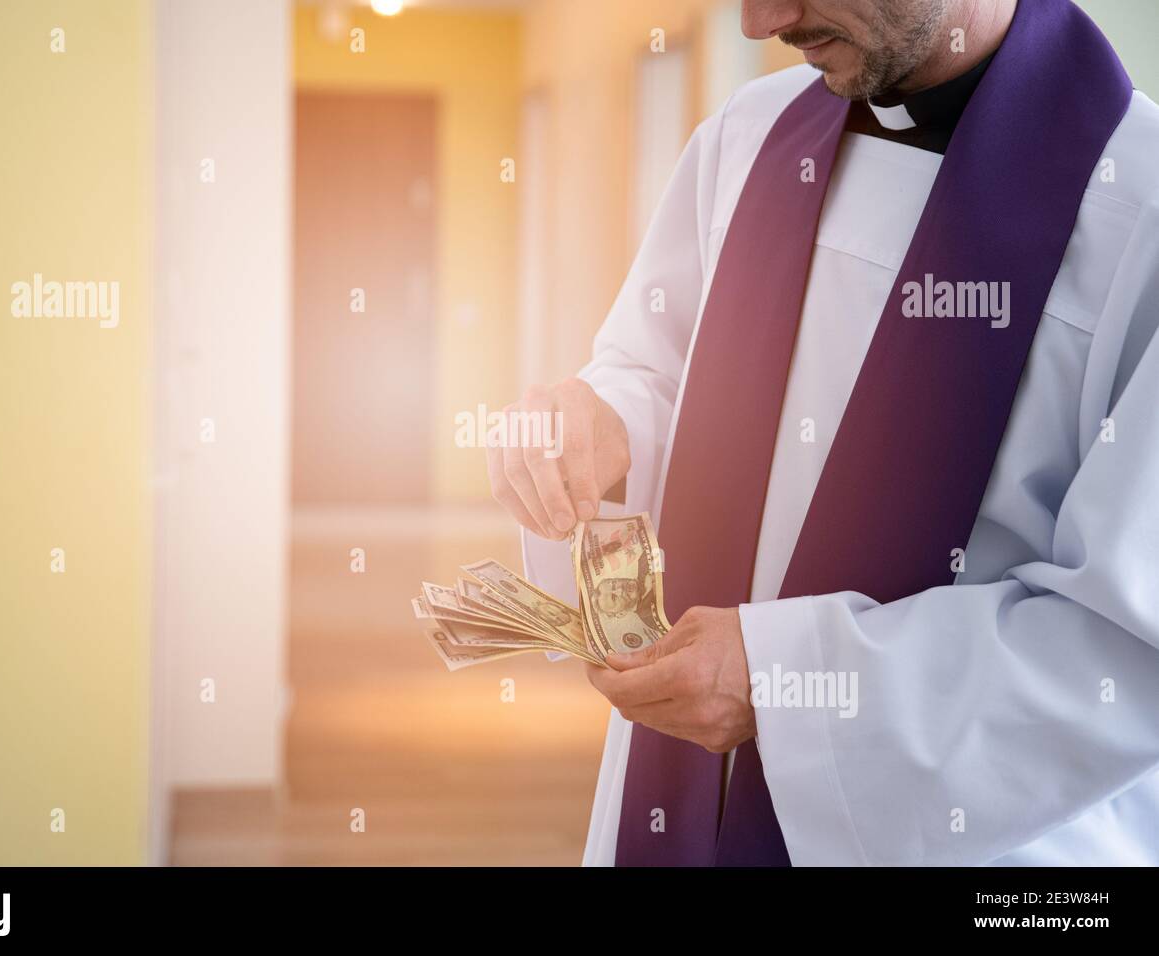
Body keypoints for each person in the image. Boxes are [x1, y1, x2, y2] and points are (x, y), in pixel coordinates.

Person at [487, 0, 1159, 865]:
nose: (761, 22)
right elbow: (656, 371)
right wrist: (596, 428)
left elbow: (1125, 647)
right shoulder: (745, 138)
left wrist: (787, 687)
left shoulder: (1137, 210)